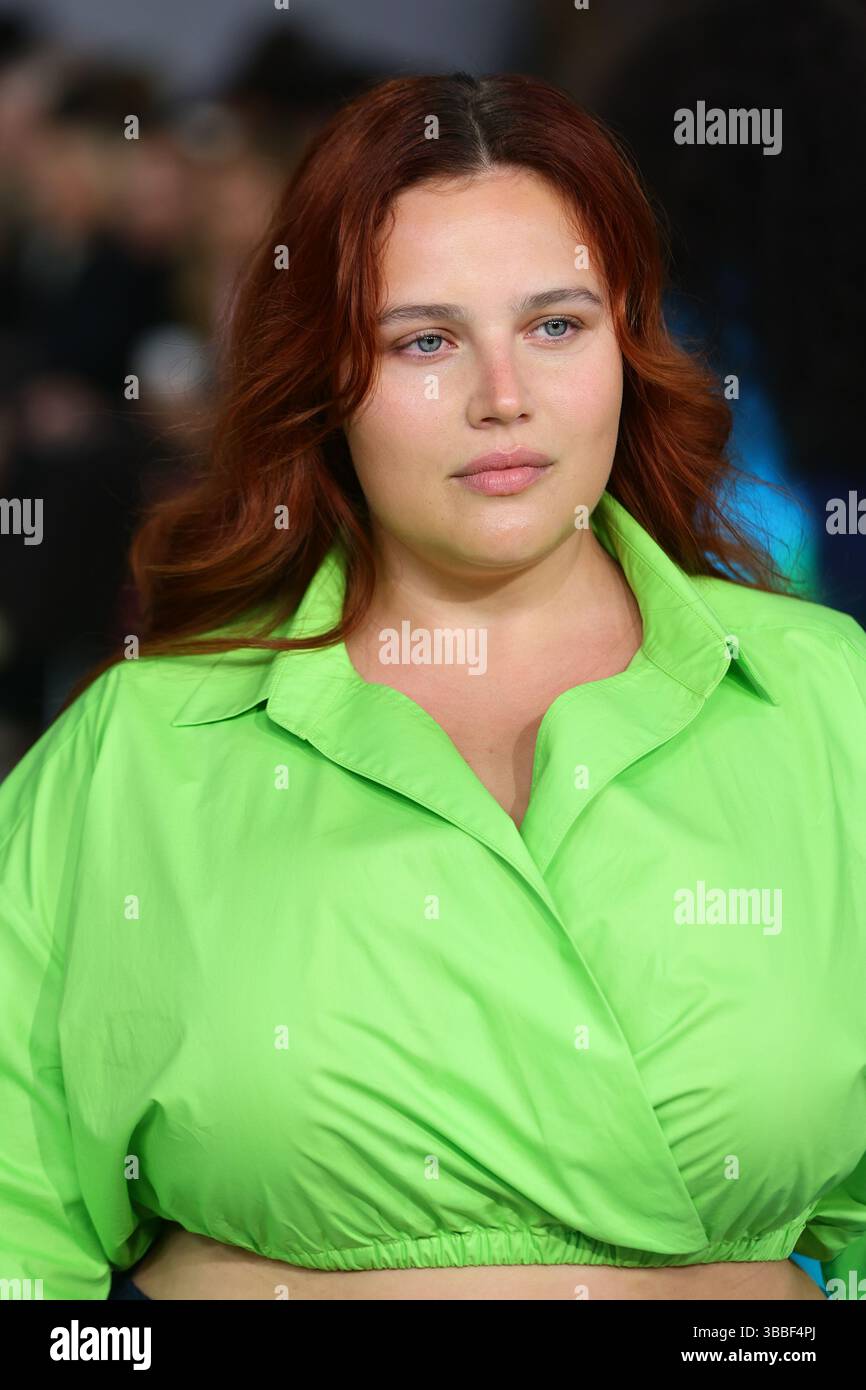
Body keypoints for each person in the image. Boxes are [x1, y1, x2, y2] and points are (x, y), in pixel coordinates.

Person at [1, 71, 864, 1302]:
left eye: (556, 325)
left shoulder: (825, 700)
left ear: (625, 341)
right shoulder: (148, 743)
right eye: (425, 340)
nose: (501, 396)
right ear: (322, 377)